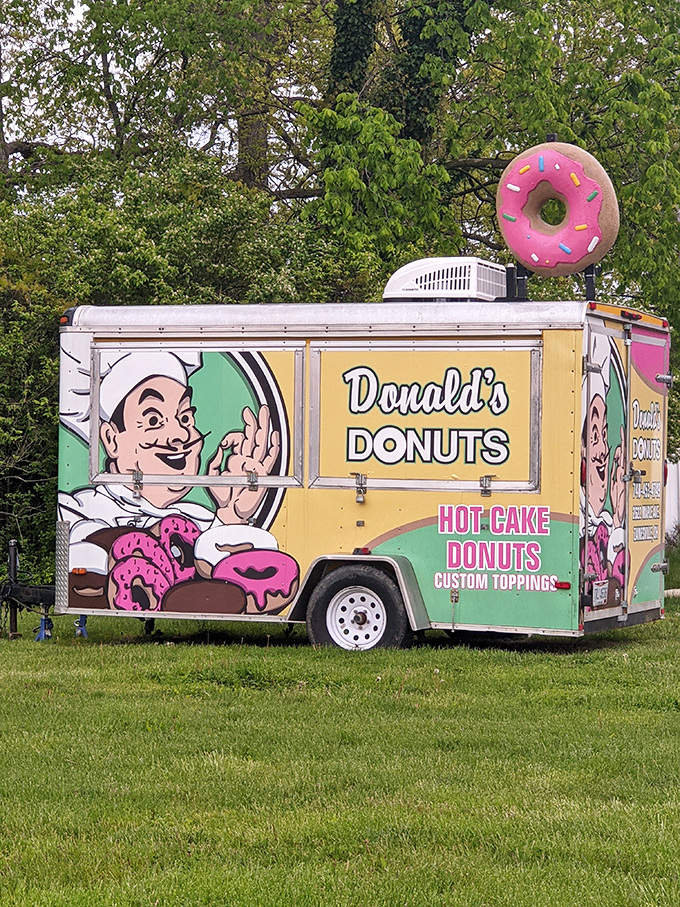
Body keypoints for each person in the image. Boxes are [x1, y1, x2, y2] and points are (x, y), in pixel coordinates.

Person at [58, 350, 280, 575]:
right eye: (153, 420)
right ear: (110, 439)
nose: (181, 435)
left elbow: (222, 577)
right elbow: (91, 559)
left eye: (185, 418)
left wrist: (231, 515)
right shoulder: (80, 510)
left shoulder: (198, 517)